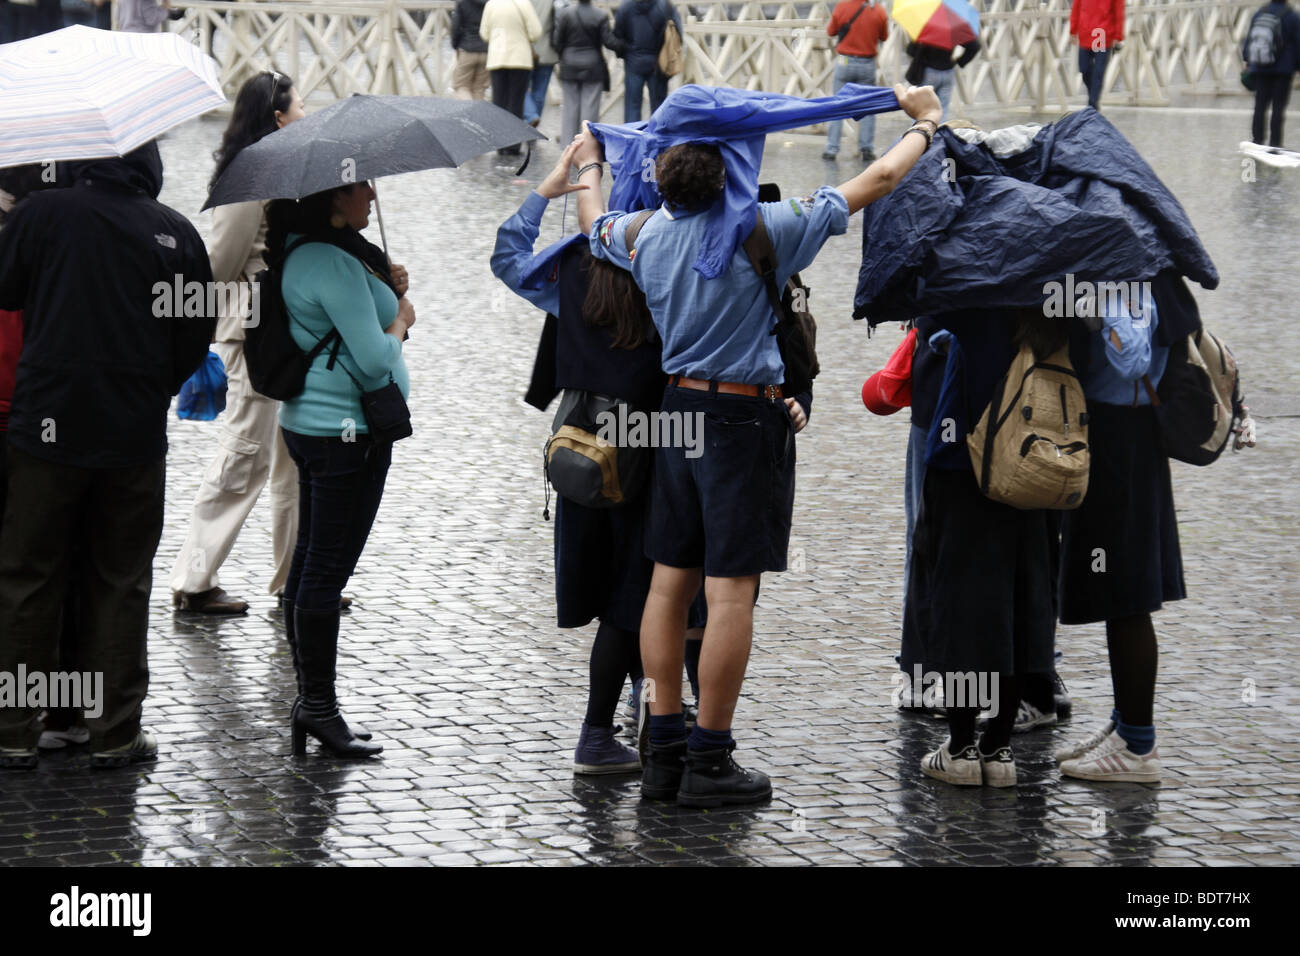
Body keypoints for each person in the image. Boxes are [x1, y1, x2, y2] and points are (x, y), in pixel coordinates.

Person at [584, 83, 944, 807]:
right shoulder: (768, 229)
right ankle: (712, 759)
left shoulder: (644, 235)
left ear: (662, 175)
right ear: (734, 171)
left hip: (676, 410)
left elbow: (594, 225)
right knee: (729, 592)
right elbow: (876, 179)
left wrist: (590, 166)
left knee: (666, 583)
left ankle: (663, 747)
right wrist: (928, 126)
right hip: (742, 423)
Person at [0, 142, 215, 769]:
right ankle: (116, 730)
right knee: (120, 580)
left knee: (28, 577)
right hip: (132, 435)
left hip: (46, 427)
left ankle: (12, 730)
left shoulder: (45, 214)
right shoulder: (177, 231)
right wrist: (151, 387)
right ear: (150, 168)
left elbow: (5, 289)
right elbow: (192, 337)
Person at [491, 140, 665, 773]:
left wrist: (549, 187)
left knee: (618, 591)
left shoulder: (575, 267)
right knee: (640, 593)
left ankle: (634, 714)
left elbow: (507, 257)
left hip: (581, 448)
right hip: (650, 451)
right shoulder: (671, 265)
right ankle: (606, 729)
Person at [266, 182, 414, 759]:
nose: (373, 194)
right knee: (326, 571)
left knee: (310, 562)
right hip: (343, 434)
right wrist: (400, 321)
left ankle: (311, 703)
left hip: (312, 426)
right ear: (331, 200)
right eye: (359, 188)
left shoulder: (309, 248)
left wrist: (383, 286)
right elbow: (375, 359)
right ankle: (318, 708)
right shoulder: (329, 259)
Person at [170, 71, 307, 616]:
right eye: (300, 106)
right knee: (245, 456)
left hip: (286, 333)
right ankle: (193, 580)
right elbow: (218, 267)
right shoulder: (249, 179)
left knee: (292, 460)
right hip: (251, 337)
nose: (305, 114)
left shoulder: (281, 172)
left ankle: (296, 577)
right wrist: (190, 335)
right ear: (276, 118)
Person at [910, 311, 1061, 788]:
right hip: (1031, 467)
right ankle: (998, 747)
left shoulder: (969, 287)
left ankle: (960, 746)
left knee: (961, 607)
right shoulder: (1050, 297)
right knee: (1016, 604)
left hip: (962, 468)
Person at [1054, 284, 1176, 783]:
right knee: (1116, 592)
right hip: (1109, 431)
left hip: (1127, 437)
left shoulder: (1128, 273)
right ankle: (1125, 724)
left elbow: (1133, 360)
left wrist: (1096, 307)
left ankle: (1139, 745)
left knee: (1128, 595)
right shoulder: (1119, 261)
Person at [823, 0, 890, 162]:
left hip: (844, 61)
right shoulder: (879, 11)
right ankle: (866, 148)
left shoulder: (842, 7)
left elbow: (831, 31)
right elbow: (884, 36)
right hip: (867, 63)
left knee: (838, 105)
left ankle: (832, 148)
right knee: (867, 106)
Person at [552, 0, 623, 143]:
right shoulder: (600, 14)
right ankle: (587, 144)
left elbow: (557, 41)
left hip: (569, 64)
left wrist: (564, 55)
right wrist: (626, 47)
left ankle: (568, 146)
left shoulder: (565, 14)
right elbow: (608, 41)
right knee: (590, 108)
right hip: (593, 65)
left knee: (570, 107)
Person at [481, 0, 543, 155]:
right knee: (516, 101)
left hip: (496, 58)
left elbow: (484, 34)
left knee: (499, 102)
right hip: (519, 59)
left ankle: (500, 144)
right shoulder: (524, 4)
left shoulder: (491, 4)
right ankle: (513, 144)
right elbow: (536, 32)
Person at [1242, 0, 1300, 147]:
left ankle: (1257, 141)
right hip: (1283, 69)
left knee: (1260, 105)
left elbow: (1250, 39)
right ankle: (1275, 143)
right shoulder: (1292, 16)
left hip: (1261, 66)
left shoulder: (1259, 13)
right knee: (1278, 108)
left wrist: (1248, 60)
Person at [613, 0, 682, 122]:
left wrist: (625, 53)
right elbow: (678, 33)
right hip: (658, 62)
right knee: (659, 108)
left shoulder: (625, 6)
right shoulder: (665, 6)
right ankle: (657, 139)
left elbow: (617, 34)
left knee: (632, 107)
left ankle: (631, 137)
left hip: (633, 60)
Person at [904, 38, 981, 121]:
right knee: (942, 108)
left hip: (929, 72)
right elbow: (975, 47)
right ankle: (940, 132)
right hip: (948, 72)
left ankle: (920, 132)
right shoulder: (953, 30)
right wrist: (960, 61)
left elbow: (910, 51)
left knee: (922, 108)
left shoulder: (926, 30)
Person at [1069, 0, 1124, 110]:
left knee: (1098, 72)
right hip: (1085, 32)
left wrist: (1118, 35)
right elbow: (1076, 8)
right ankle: (1093, 99)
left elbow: (1119, 12)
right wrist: (1073, 30)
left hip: (1101, 33)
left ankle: (1092, 105)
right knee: (1084, 69)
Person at [524, 0, 559, 127]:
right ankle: (534, 128)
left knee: (521, 88)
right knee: (540, 92)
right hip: (547, 50)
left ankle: (531, 115)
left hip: (525, 50)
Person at [451, 0, 492, 102]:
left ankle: (468, 116)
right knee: (479, 89)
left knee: (462, 87)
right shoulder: (491, 3)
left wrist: (455, 45)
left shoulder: (462, 3)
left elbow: (455, 27)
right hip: (486, 50)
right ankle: (479, 116)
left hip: (467, 48)